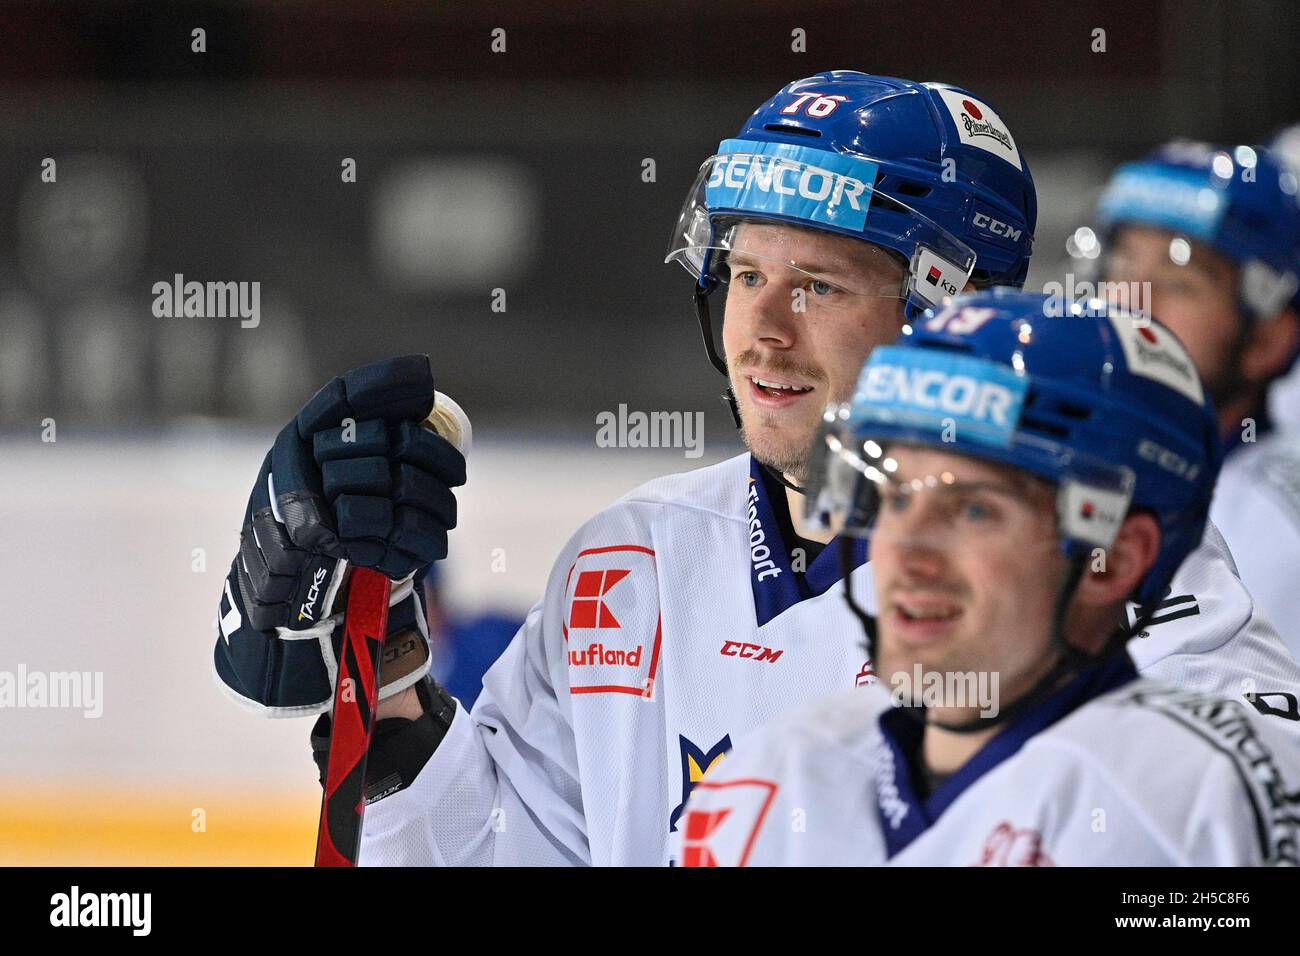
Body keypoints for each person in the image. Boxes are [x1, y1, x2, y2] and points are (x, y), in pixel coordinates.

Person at [213, 72, 1299, 867]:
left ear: (947, 310)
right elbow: (504, 848)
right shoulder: (631, 559)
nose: (764, 332)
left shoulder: (1094, 556)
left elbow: (1240, 800)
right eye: (743, 274)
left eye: (819, 285)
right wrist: (389, 686)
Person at [677, 290, 1300, 866]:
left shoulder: (1202, 810)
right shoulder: (770, 776)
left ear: (1115, 557)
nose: (905, 555)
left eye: (973, 510)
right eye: (896, 497)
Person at [1071, 141, 1300, 655]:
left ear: (1267, 340)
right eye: (1121, 267)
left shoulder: (1276, 533)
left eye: (1180, 282)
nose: (1130, 301)